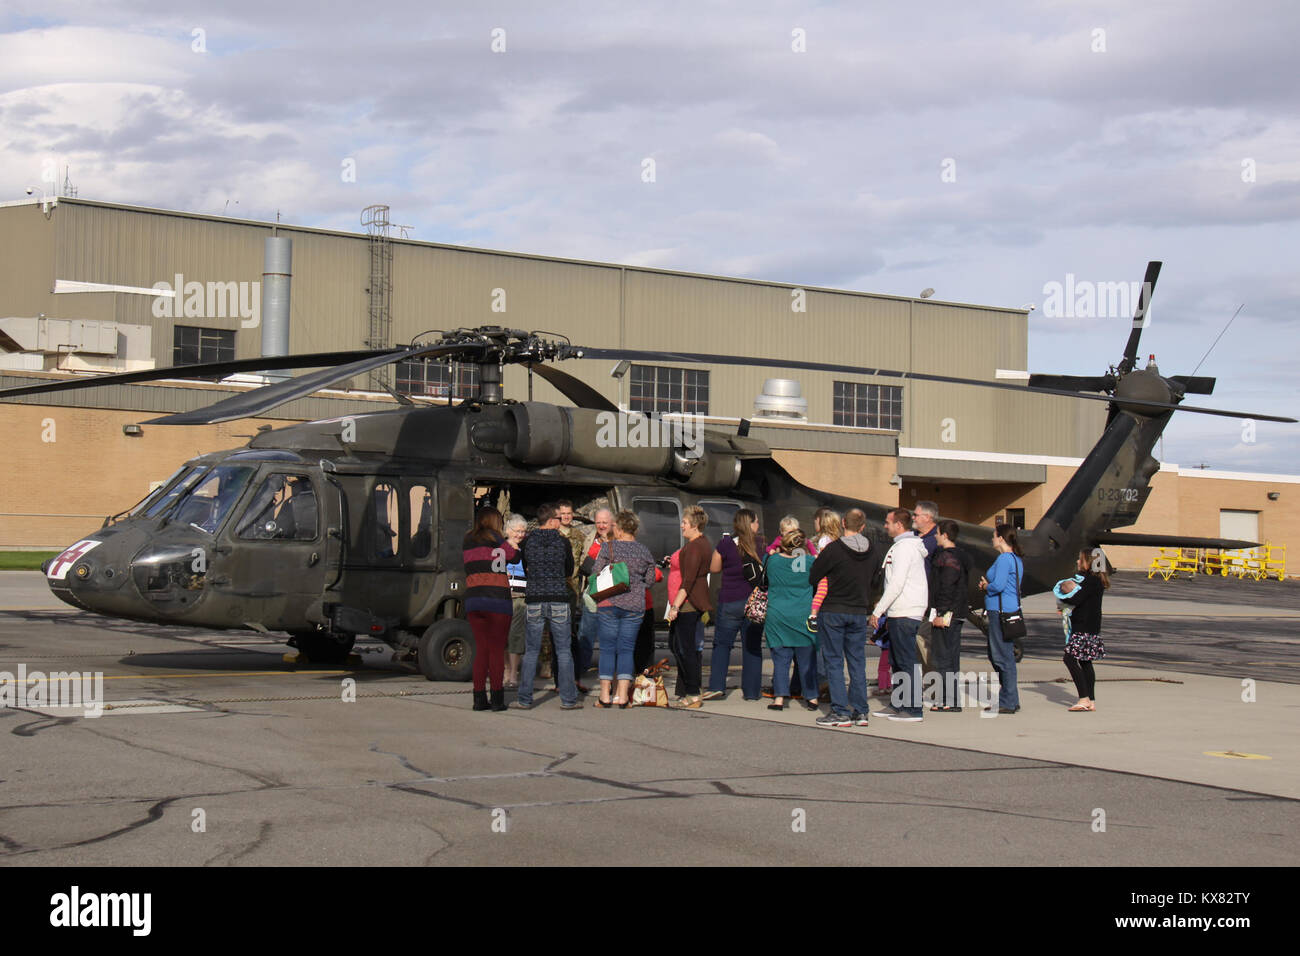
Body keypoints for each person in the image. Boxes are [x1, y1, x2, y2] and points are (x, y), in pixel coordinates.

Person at [809, 507, 883, 727]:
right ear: (862, 527)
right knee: (857, 662)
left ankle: (839, 710)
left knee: (833, 661)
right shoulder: (873, 551)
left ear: (843, 523)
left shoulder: (834, 550)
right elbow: (876, 582)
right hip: (859, 610)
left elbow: (814, 575)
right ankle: (861, 711)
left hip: (833, 609)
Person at [513, 503, 581, 710]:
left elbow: (521, 565)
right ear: (551, 520)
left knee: (532, 651)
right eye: (558, 518)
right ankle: (568, 699)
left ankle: (525, 699)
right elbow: (569, 569)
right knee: (563, 650)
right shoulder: (562, 542)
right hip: (559, 599)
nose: (560, 522)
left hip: (534, 599)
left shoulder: (528, 541)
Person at [591, 511, 658, 707]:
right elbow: (651, 580)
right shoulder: (644, 551)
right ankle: (622, 697)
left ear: (618, 530)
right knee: (627, 649)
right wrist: (637, 587)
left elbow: (595, 573)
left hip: (608, 604)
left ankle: (604, 696)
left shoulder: (608, 548)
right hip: (635, 606)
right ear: (634, 530)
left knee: (607, 649)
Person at [870, 509, 929, 722]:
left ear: (899, 525)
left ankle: (913, 709)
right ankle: (898, 703)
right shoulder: (902, 546)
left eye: (888, 522)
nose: (885, 526)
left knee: (906, 661)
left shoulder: (905, 549)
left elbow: (897, 583)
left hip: (905, 611)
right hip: (899, 611)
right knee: (896, 660)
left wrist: (878, 610)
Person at [462, 506, 518, 711]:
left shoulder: (467, 539)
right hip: (497, 601)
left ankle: (478, 698)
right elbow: (513, 557)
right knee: (496, 650)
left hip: (474, 599)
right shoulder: (496, 538)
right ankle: (496, 699)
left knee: (481, 650)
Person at [705, 509, 765, 701]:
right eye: (756, 522)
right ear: (751, 524)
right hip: (754, 603)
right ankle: (752, 692)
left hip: (730, 601)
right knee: (752, 647)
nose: (758, 526)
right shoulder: (761, 544)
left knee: (722, 645)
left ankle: (716, 686)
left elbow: (714, 568)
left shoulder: (726, 543)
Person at [763, 527, 819, 710]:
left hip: (777, 614)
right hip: (802, 614)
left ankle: (779, 698)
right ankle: (811, 697)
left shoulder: (772, 561)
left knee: (780, 660)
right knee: (806, 660)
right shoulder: (810, 562)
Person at [665, 505, 712, 709]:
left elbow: (689, 580)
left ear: (693, 525)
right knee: (677, 645)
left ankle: (693, 693)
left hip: (688, 604)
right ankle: (688, 690)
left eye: (684, 522)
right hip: (690, 601)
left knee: (686, 648)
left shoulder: (695, 547)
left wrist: (675, 606)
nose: (682, 526)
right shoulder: (701, 544)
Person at [979, 523, 1025, 715]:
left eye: (994, 535)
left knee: (1001, 655)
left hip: (1000, 611)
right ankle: (1010, 697)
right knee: (1001, 654)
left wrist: (985, 586)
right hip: (1007, 609)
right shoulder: (1015, 559)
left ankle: (1008, 699)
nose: (992, 538)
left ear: (1001, 538)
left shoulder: (1005, 559)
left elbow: (998, 585)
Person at [1057, 550, 1109, 711]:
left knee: (1069, 659)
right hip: (1091, 627)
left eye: (1081, 560)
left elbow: (1075, 598)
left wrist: (1061, 593)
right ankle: (1091, 699)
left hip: (1083, 627)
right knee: (1085, 662)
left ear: (1089, 562)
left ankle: (1084, 698)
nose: (1078, 563)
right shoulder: (1096, 581)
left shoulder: (1089, 581)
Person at [928, 519, 972, 711]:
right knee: (952, 657)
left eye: (937, 533)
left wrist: (942, 613)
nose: (935, 536)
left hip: (948, 613)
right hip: (959, 611)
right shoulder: (962, 556)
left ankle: (948, 700)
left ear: (945, 535)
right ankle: (951, 700)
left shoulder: (947, 558)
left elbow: (947, 587)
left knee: (943, 657)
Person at [576, 508, 614, 678]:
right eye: (598, 522)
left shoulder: (618, 540)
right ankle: (581, 669)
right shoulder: (591, 538)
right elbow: (583, 562)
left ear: (612, 523)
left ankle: (608, 672)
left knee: (610, 638)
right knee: (585, 635)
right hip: (591, 595)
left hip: (611, 597)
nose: (601, 526)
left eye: (604, 522)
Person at [503, 513, 528, 689]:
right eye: (517, 531)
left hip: (520, 596)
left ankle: (513, 673)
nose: (520, 535)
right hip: (503, 596)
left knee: (516, 635)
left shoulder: (525, 549)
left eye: (523, 532)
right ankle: (506, 670)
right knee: (503, 635)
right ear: (508, 531)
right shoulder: (501, 548)